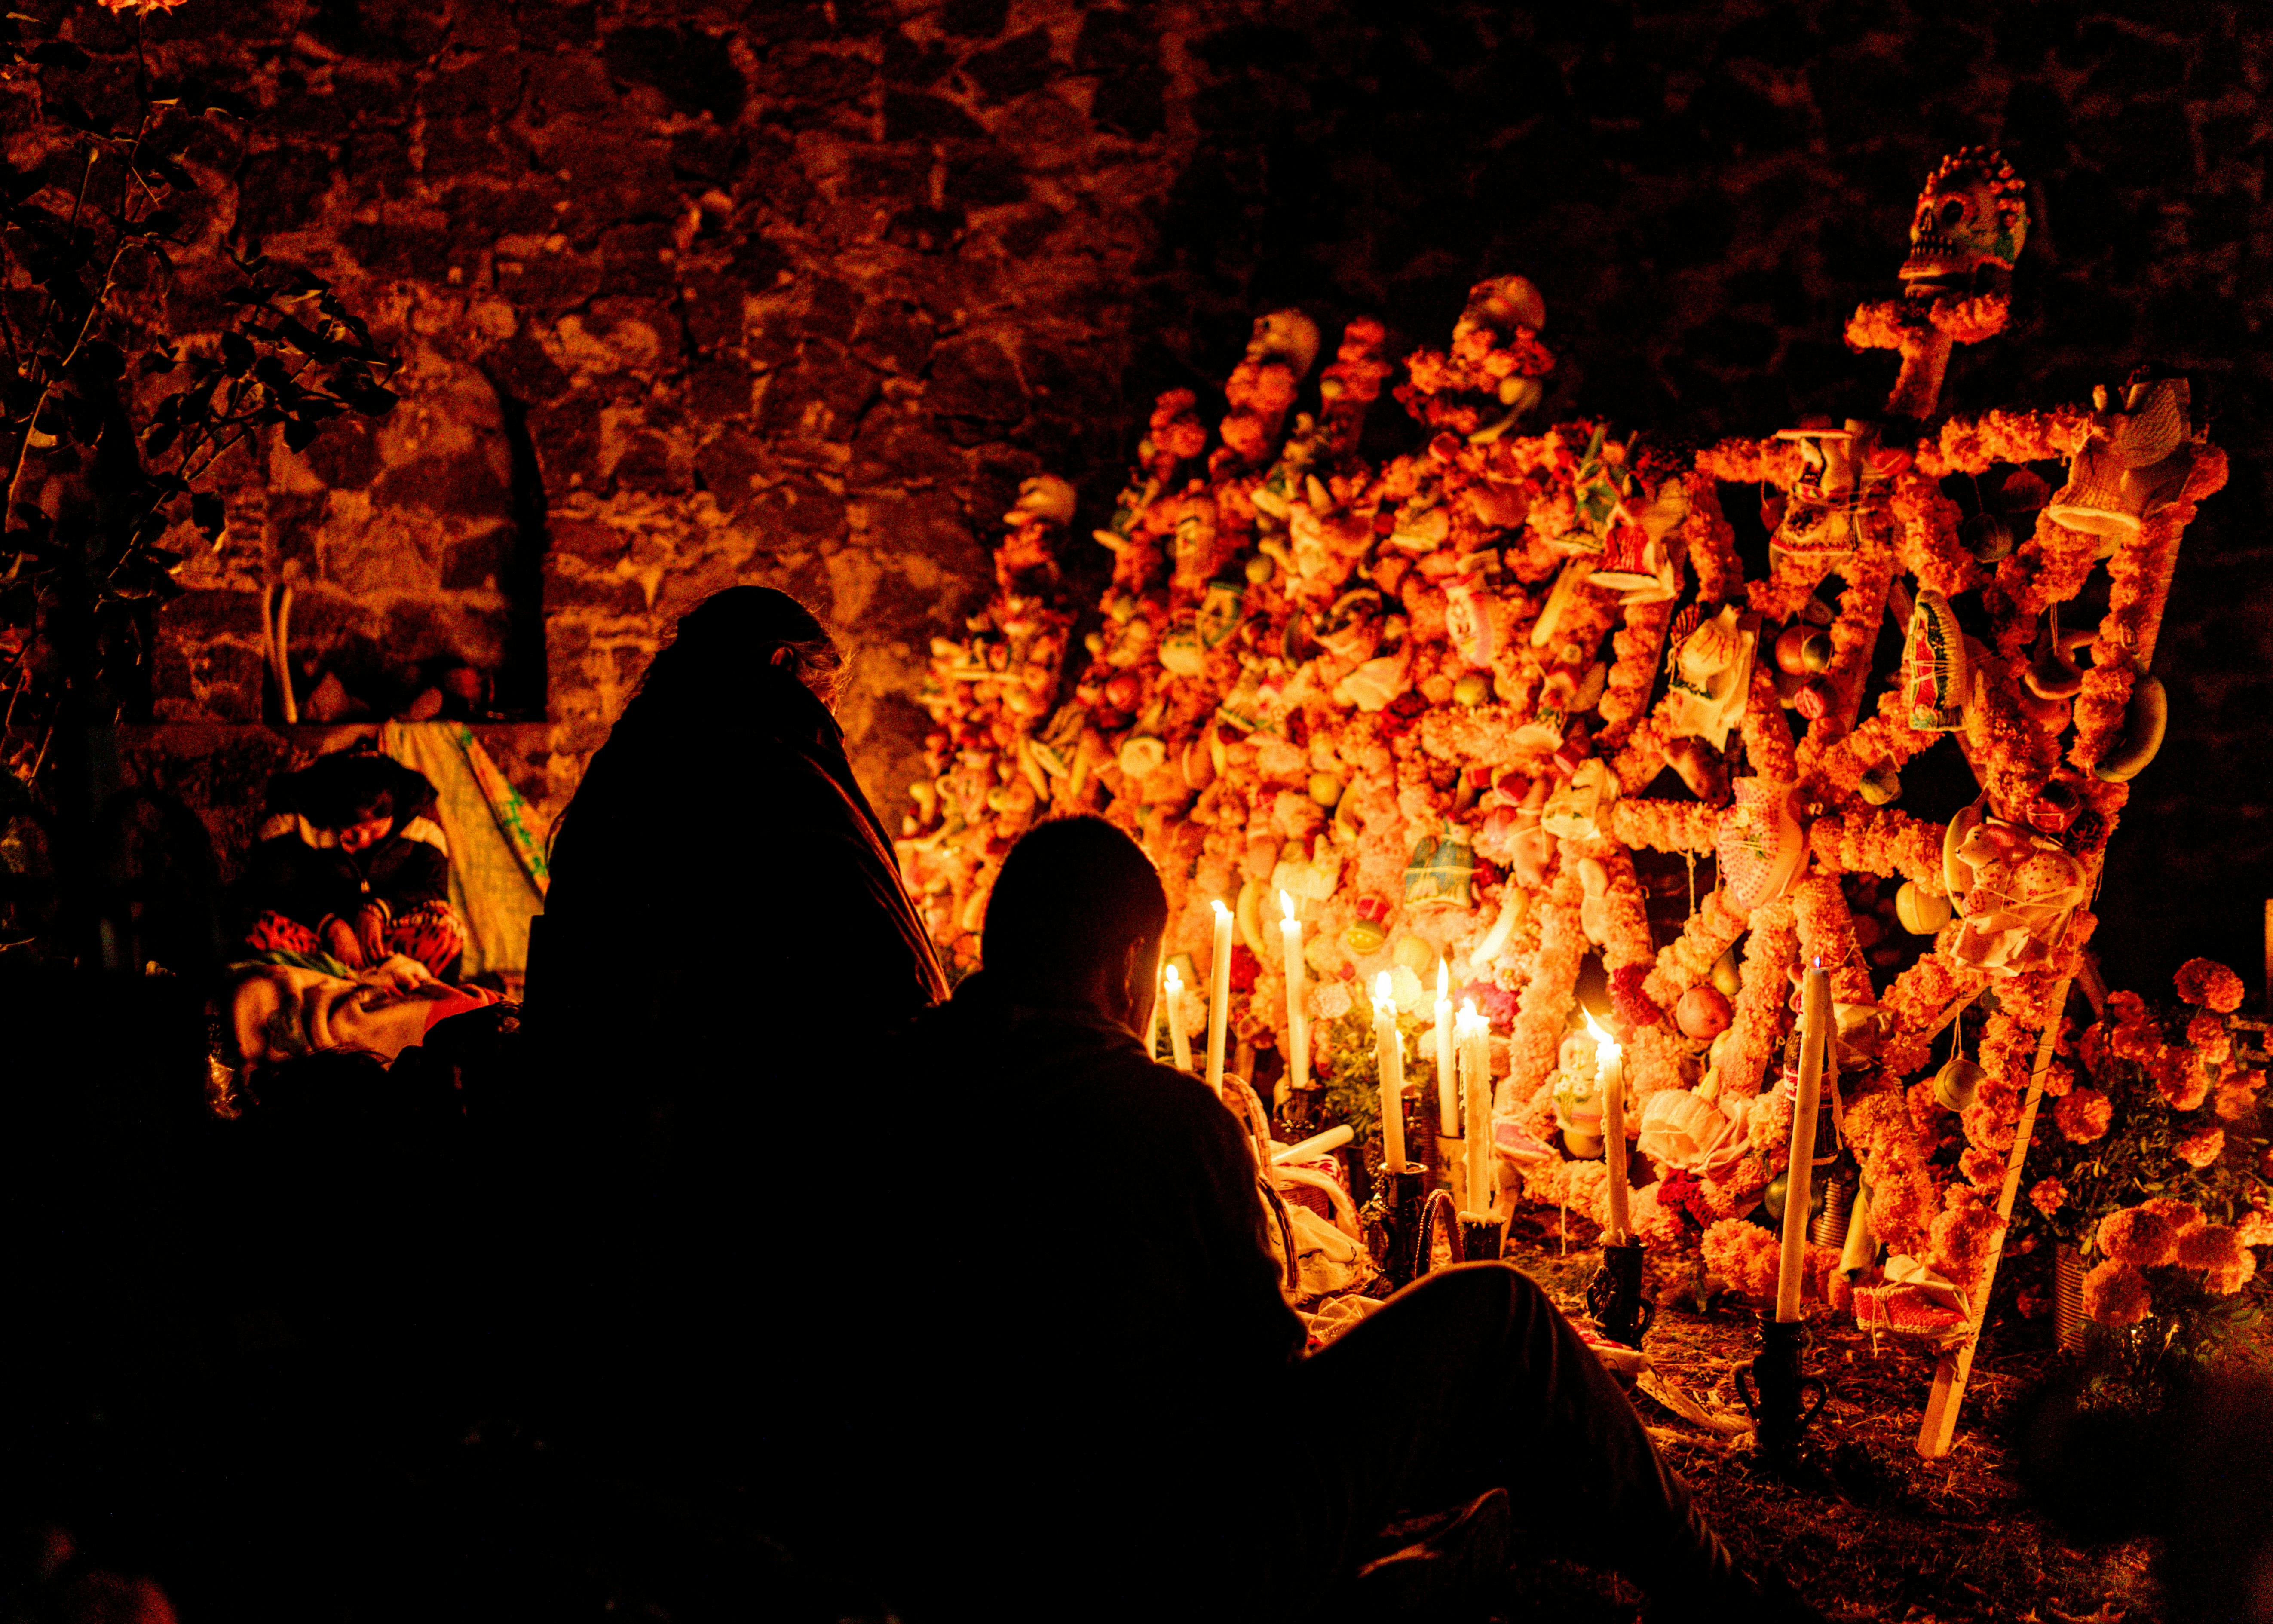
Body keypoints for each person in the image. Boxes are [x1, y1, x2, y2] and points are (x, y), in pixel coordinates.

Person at [837, 816, 1821, 1624]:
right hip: (1163, 1565)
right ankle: (1723, 1597)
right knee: (1499, 1313)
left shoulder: (879, 1087)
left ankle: (1440, 1558)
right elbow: (1261, 1380)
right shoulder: (1163, 1117)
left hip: (934, 1561)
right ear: (1130, 964)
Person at [518, 586, 948, 1510]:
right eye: (823, 688)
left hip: (621, 1144)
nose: (827, 710)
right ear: (782, 667)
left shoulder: (633, 766)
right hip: (751, 1144)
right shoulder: (768, 771)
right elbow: (859, 971)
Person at [242, 746, 466, 978]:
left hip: (385, 935)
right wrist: (331, 926)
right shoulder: (293, 817)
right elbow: (275, 889)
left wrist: (379, 910)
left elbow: (432, 887)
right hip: (316, 933)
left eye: (375, 831)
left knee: (446, 930)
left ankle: (410, 989)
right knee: (263, 930)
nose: (364, 841)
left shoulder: (420, 819)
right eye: (352, 833)